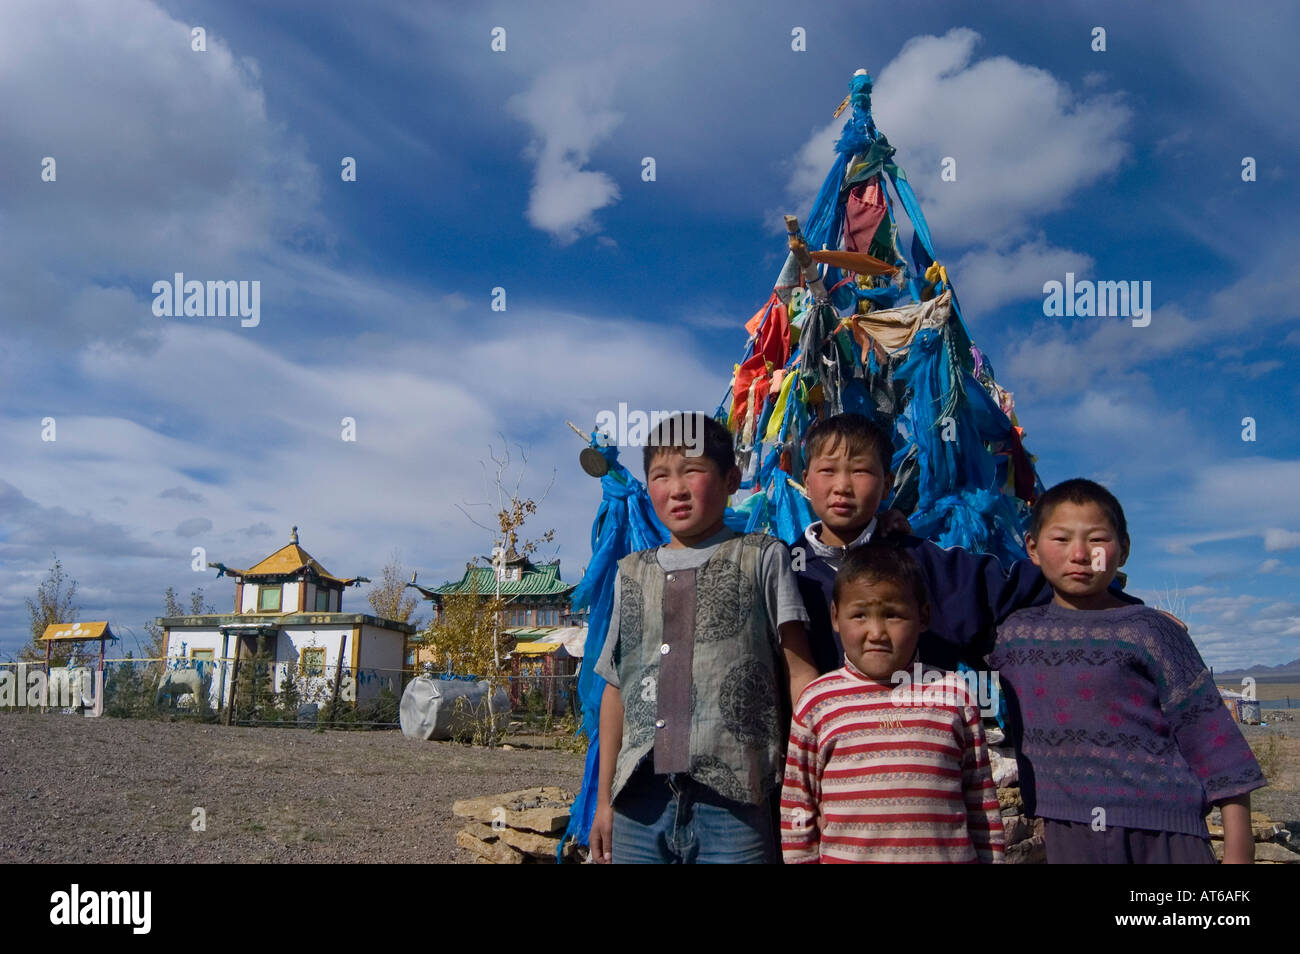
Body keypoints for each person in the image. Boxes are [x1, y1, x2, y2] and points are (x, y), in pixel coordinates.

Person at [988, 478, 1265, 863]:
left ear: (1124, 550)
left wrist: (1239, 849)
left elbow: (1212, 738)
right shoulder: (1013, 636)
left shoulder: (1150, 631)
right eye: (1062, 539)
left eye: (1097, 539)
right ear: (1032, 549)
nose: (1081, 554)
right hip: (1068, 835)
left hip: (1167, 836)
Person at [589, 412, 818, 864]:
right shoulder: (629, 574)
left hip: (736, 801)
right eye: (660, 476)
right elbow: (615, 690)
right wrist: (603, 803)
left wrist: (812, 778)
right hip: (639, 802)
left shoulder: (763, 557)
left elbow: (800, 672)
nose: (676, 488)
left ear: (731, 478)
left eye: (692, 470)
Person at [792, 413, 1138, 673]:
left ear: (886, 485)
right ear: (806, 481)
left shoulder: (923, 563)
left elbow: (1022, 587)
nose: (842, 485)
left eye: (860, 471)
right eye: (828, 471)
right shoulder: (786, 569)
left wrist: (1120, 604)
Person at [781, 542, 1004, 863]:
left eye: (892, 615)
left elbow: (981, 805)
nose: (876, 633)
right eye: (859, 615)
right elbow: (797, 808)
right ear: (835, 616)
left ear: (923, 616)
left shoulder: (953, 694)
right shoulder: (817, 704)